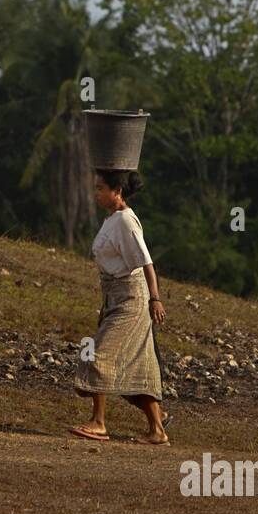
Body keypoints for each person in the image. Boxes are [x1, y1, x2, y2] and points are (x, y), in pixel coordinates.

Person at [70, 169, 172, 444]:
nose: (96, 193)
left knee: (96, 354)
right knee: (136, 365)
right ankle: (157, 429)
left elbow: (146, 262)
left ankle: (99, 422)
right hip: (114, 297)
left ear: (117, 191)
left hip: (132, 299)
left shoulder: (126, 221)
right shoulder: (112, 220)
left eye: (101, 188)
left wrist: (155, 298)